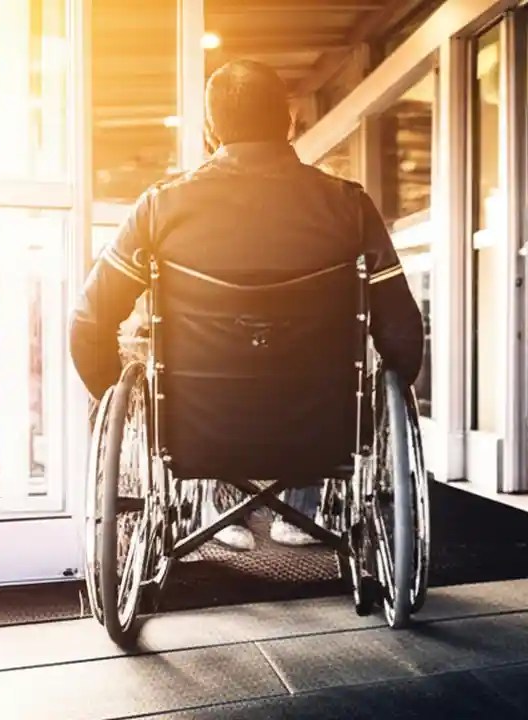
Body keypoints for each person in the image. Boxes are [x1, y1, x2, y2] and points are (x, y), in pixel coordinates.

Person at [70, 59, 423, 551]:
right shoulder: (348, 206)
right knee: (325, 380)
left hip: (195, 430)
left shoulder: (160, 207)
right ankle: (302, 510)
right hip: (321, 428)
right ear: (290, 122)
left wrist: (127, 403)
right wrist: (391, 394)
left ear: (210, 132)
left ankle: (221, 507)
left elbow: (88, 322)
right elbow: (402, 328)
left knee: (211, 381)